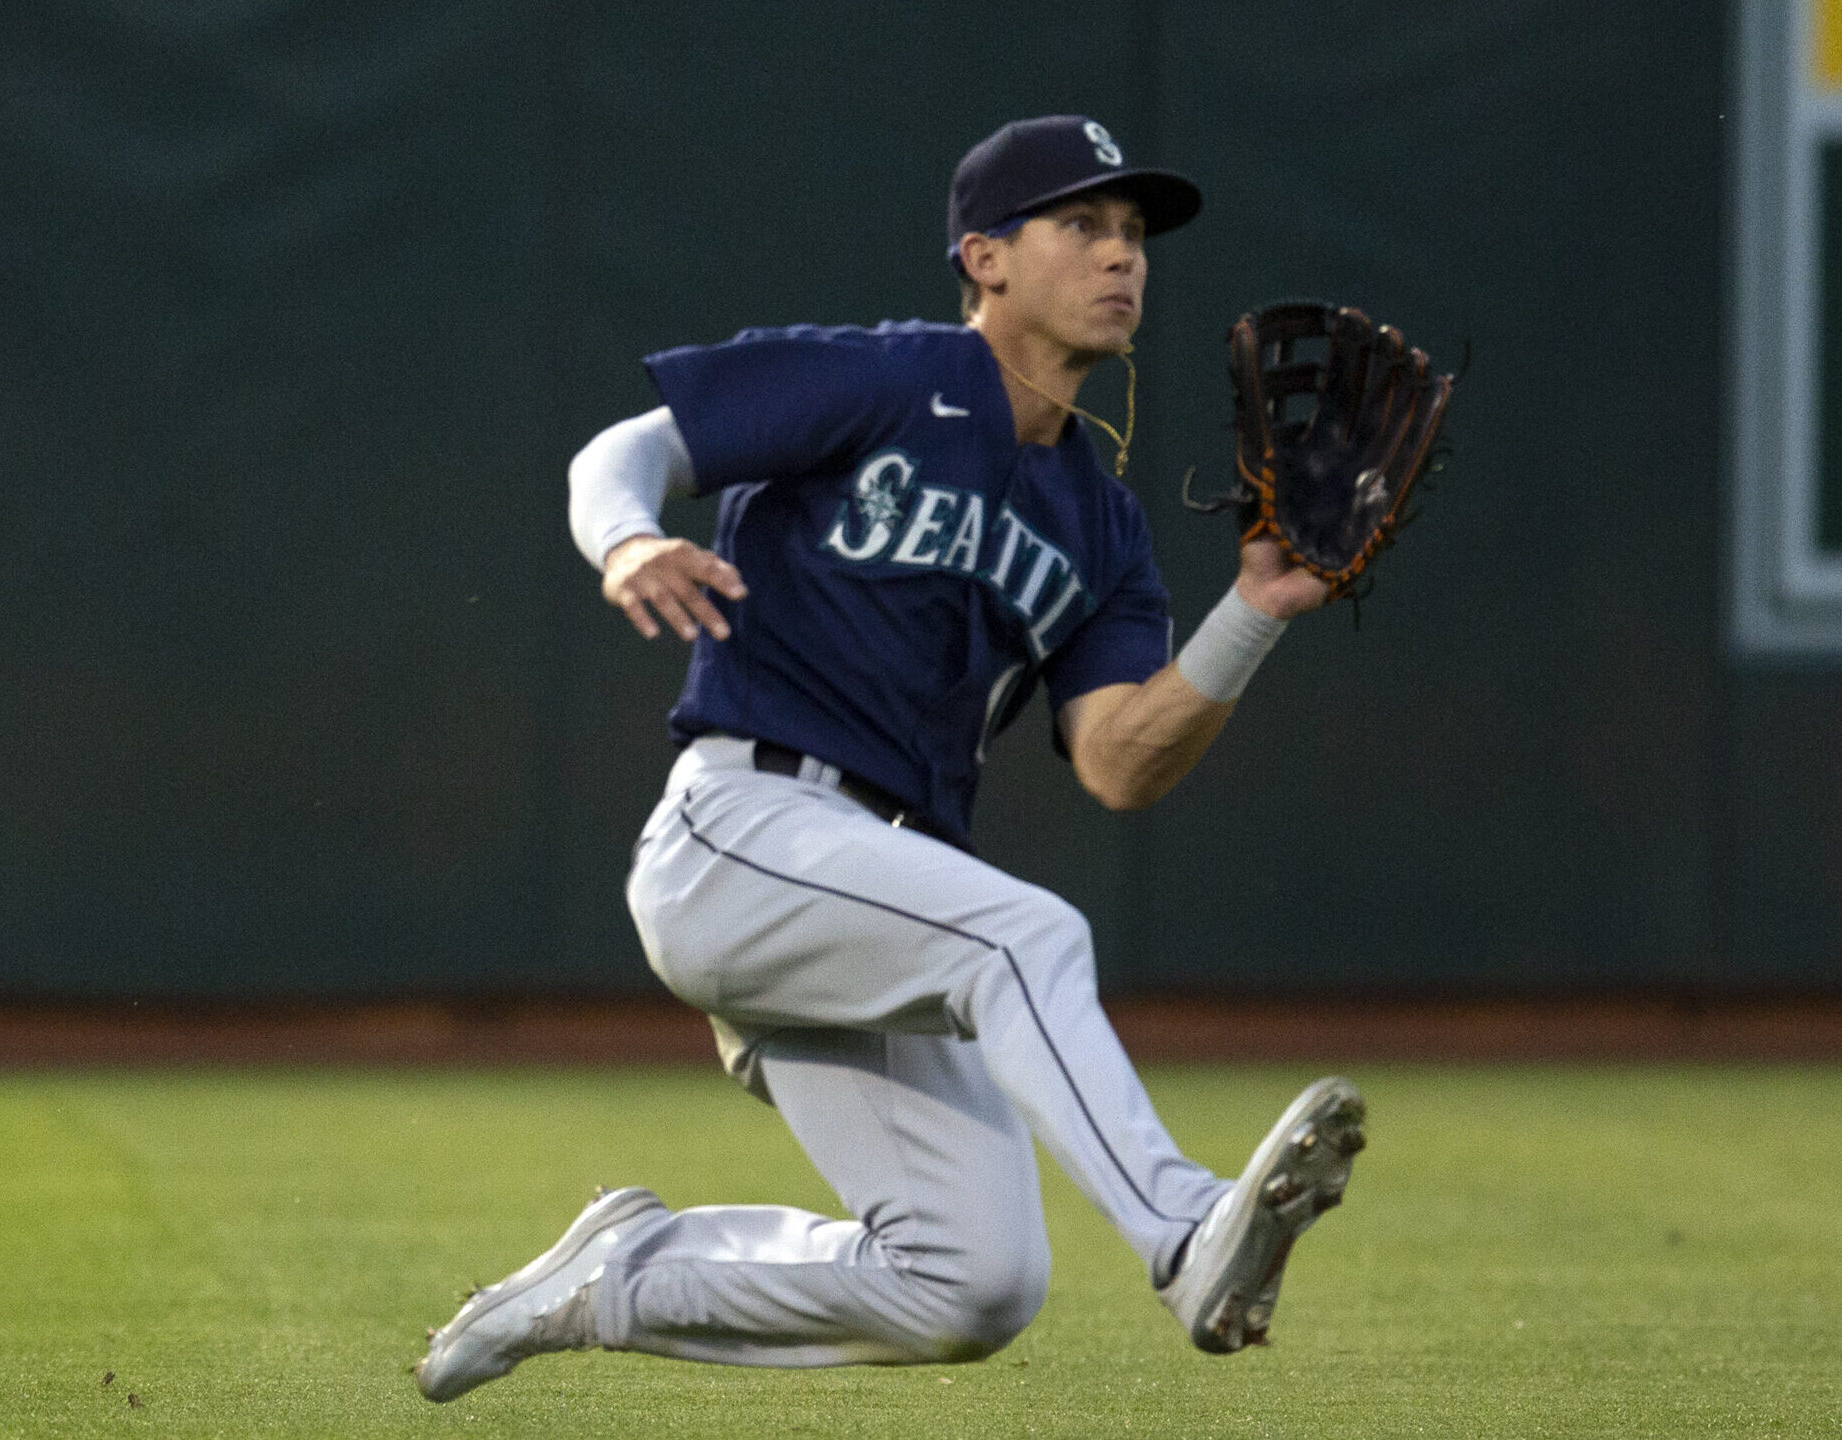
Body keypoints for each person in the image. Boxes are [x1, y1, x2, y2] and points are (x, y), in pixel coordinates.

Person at [414, 114, 1365, 1401]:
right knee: (1027, 938)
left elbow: (1123, 761)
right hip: (741, 832)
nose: (1120, 257)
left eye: (1134, 234)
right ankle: (1185, 1229)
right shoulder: (880, 378)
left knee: (970, 1283)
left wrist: (1255, 609)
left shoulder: (1102, 520)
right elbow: (622, 449)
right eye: (1080, 225)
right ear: (983, 256)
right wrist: (628, 540)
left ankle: (622, 1275)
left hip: (873, 897)